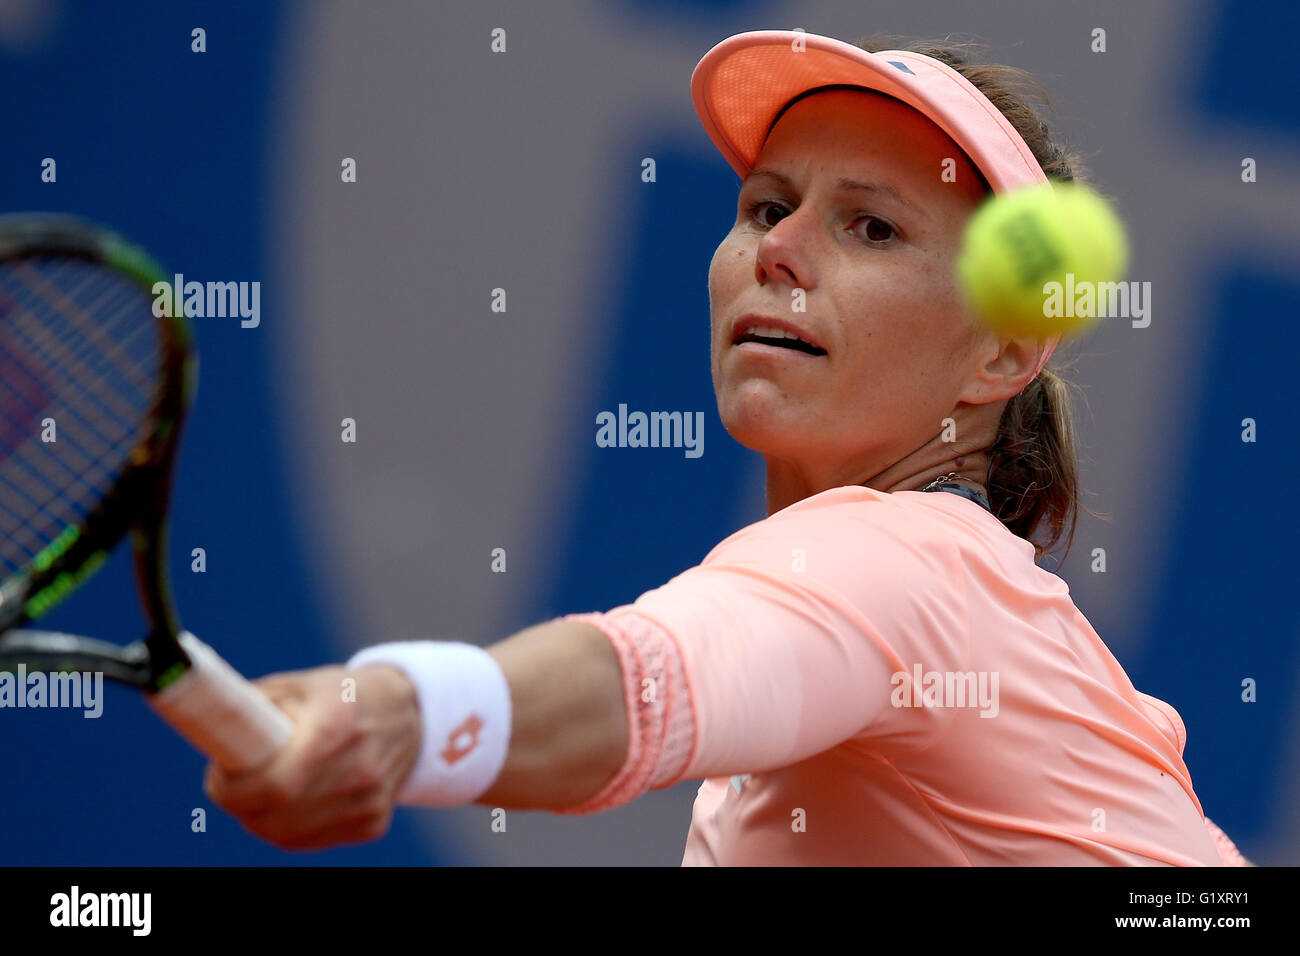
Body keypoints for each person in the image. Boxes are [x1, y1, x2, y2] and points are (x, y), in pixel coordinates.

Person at [207, 29, 1248, 865]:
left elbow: (642, 681)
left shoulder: (913, 565)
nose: (780, 250)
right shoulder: (927, 619)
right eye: (766, 205)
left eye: (871, 228)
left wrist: (404, 709)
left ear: (998, 356)